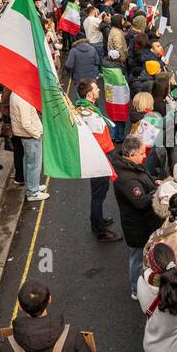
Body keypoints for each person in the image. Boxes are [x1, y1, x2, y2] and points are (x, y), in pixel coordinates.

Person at [112, 136, 163, 299]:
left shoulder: (132, 166)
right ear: (131, 155)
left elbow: (145, 179)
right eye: (142, 153)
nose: (145, 156)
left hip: (145, 222)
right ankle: (136, 289)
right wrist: (157, 192)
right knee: (137, 258)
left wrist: (155, 182)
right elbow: (140, 202)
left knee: (144, 255)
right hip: (138, 225)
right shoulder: (126, 177)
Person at [74, 81, 121, 242]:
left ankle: (97, 220)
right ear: (89, 94)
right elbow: (99, 142)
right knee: (98, 195)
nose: (98, 89)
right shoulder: (91, 116)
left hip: (95, 157)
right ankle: (100, 231)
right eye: (95, 88)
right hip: (99, 159)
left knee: (97, 194)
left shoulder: (83, 109)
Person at [10, 87, 47, 202]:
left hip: (24, 136)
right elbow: (26, 123)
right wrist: (37, 134)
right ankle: (33, 192)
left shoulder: (14, 93)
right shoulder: (23, 98)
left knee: (28, 162)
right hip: (31, 136)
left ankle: (32, 185)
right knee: (34, 164)